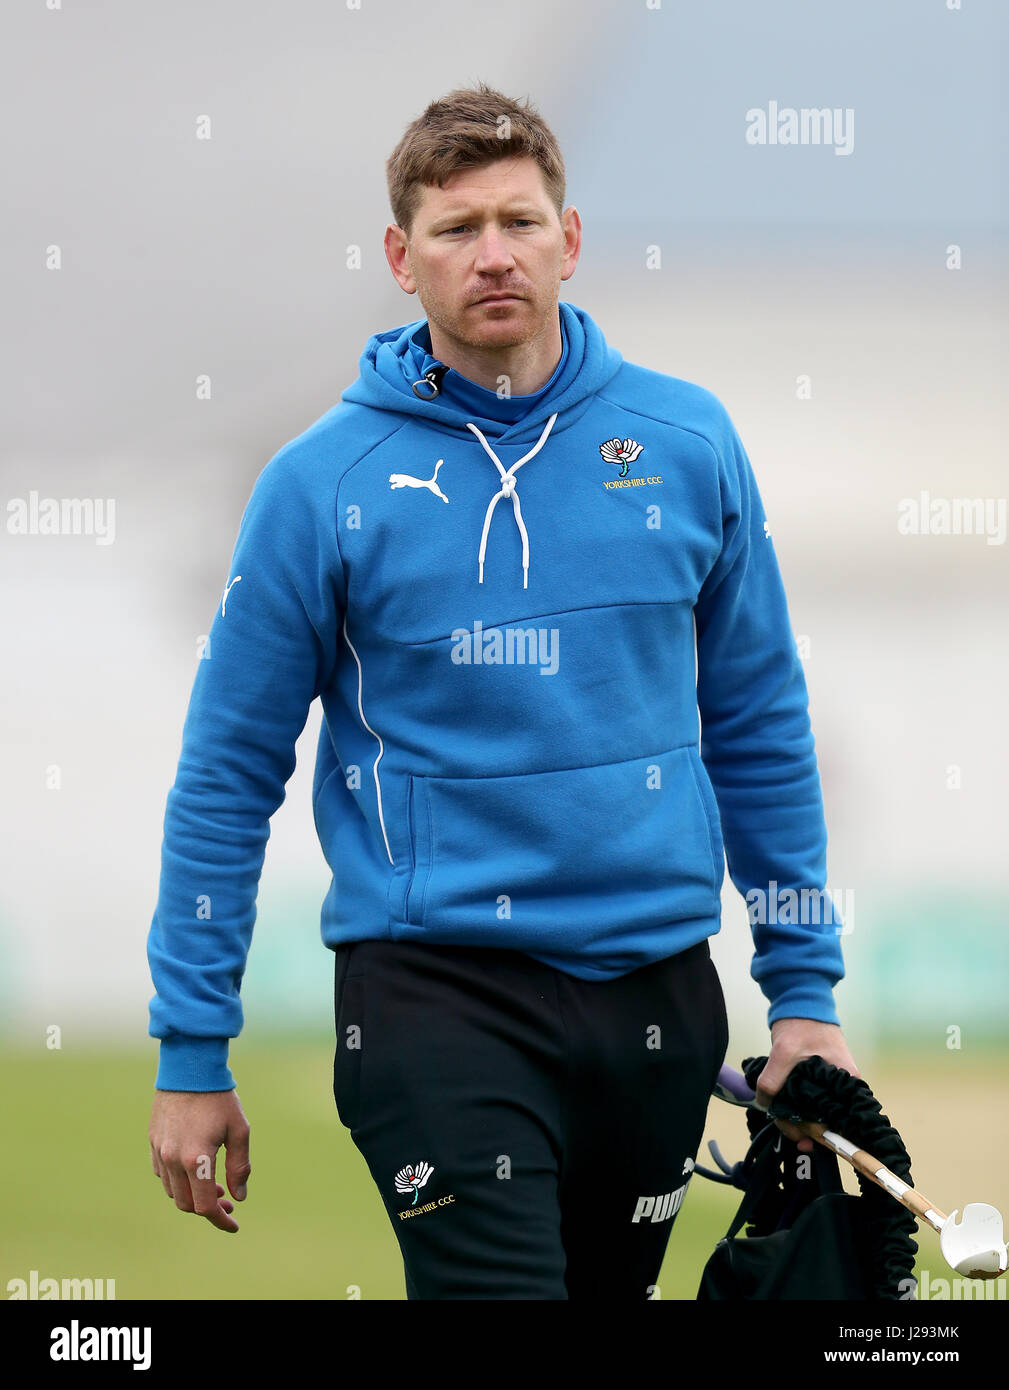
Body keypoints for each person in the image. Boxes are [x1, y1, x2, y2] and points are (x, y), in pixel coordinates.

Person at [147, 82, 858, 1299]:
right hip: (433, 992)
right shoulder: (320, 484)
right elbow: (227, 769)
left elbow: (757, 726)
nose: (492, 256)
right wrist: (191, 1045)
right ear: (399, 258)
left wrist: (802, 991)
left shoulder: (687, 444)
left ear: (569, 242)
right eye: (455, 228)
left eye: (520, 223)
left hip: (654, 994)